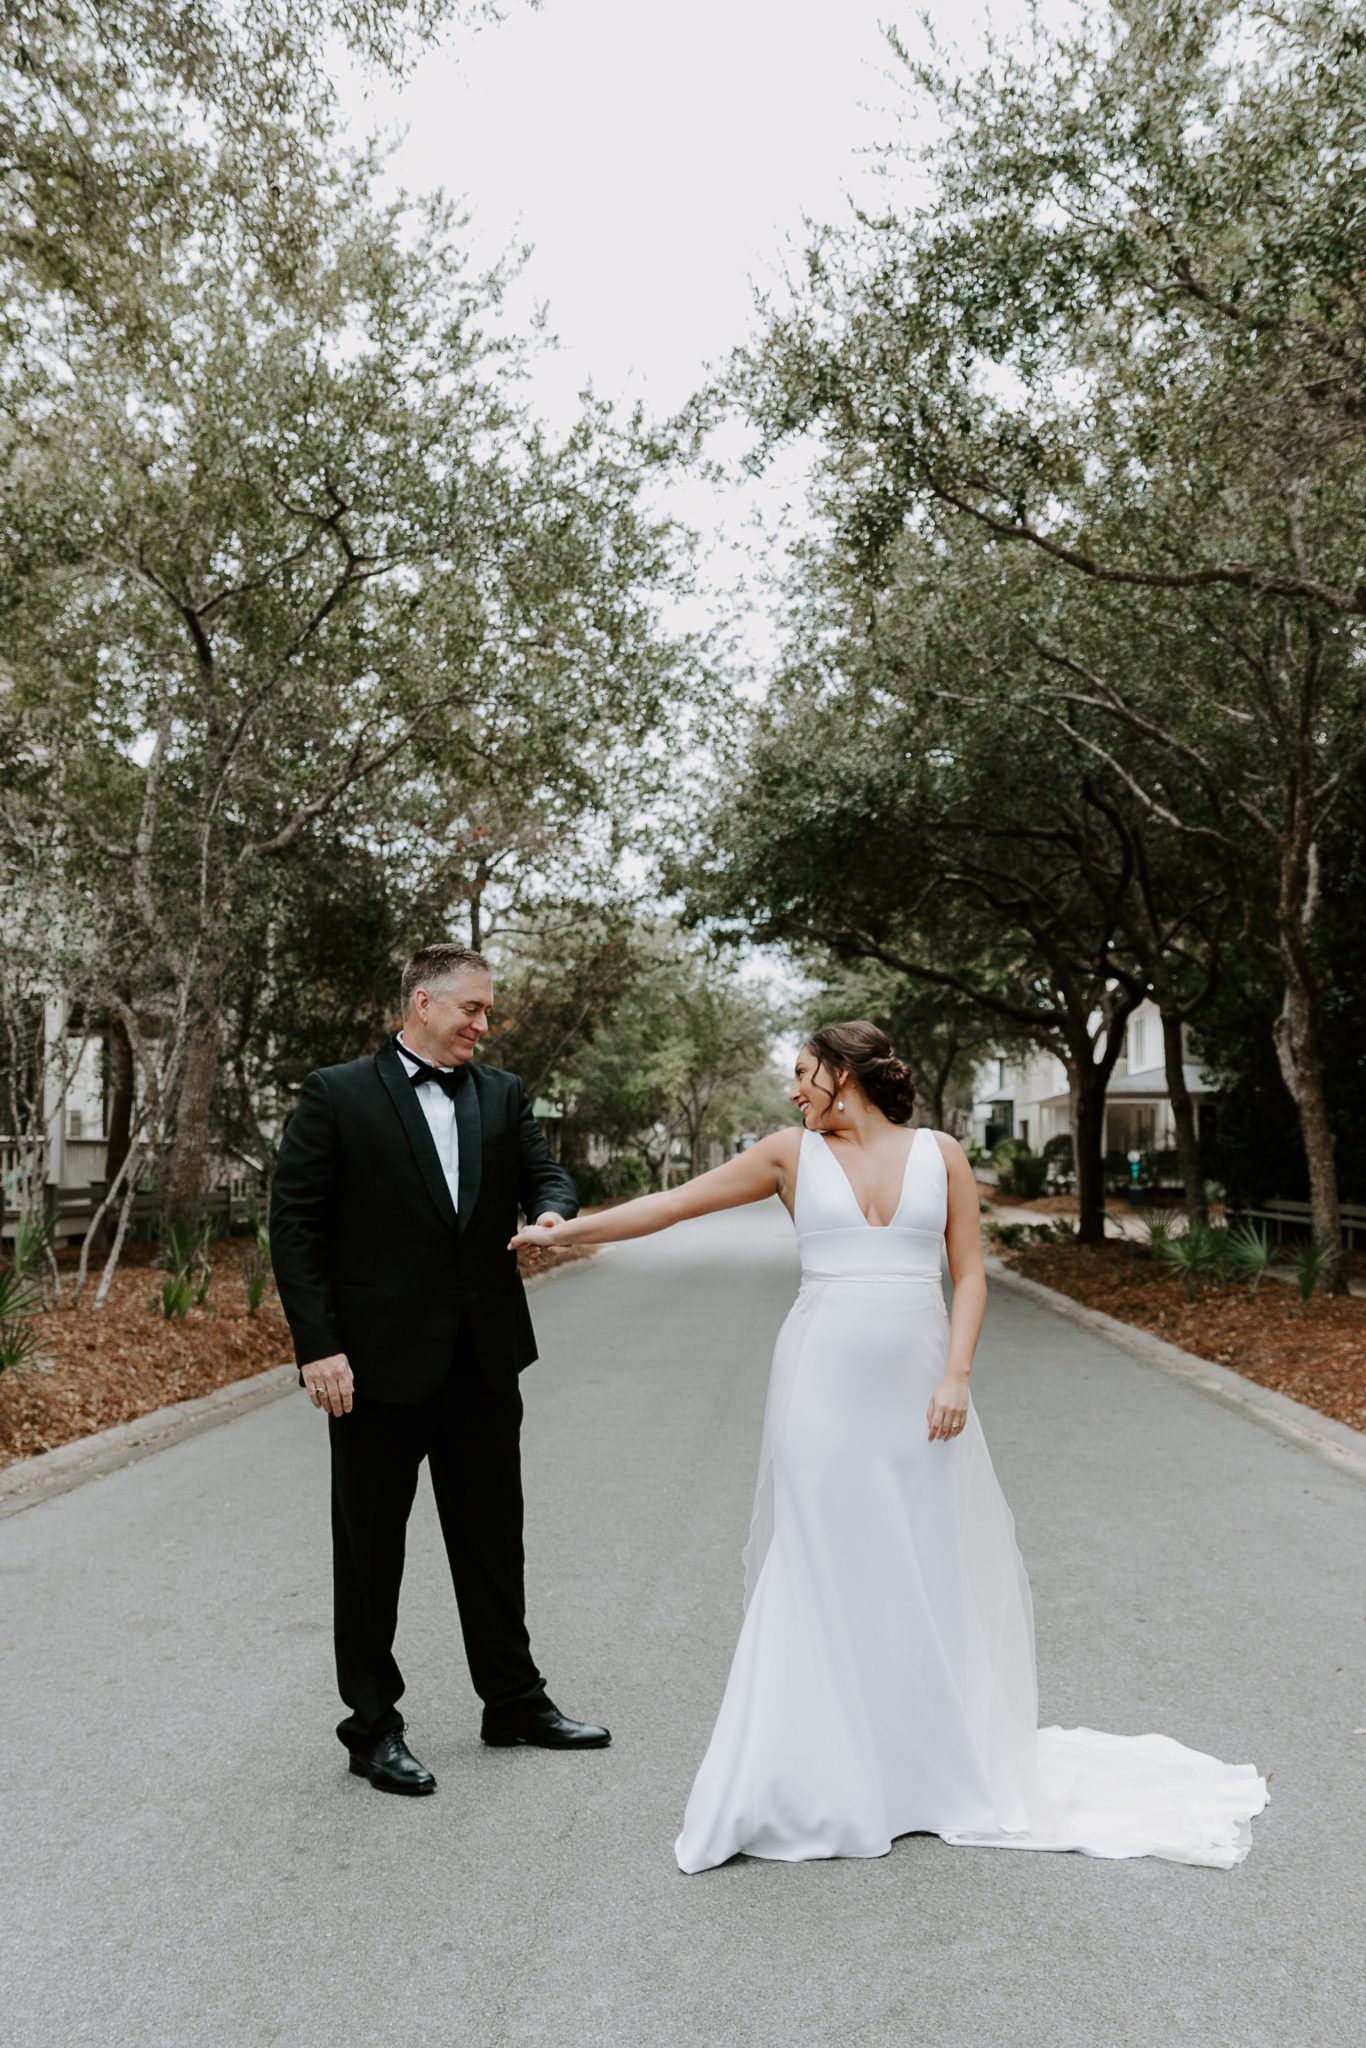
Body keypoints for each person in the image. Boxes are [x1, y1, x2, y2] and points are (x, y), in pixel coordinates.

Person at [511, 1020, 1268, 1870]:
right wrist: (561, 1235)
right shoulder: (787, 1155)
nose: (793, 1090)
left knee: (921, 1557)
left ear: (846, 1072)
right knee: (821, 1559)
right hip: (818, 1389)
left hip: (919, 1386)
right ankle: (811, 1776)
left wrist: (956, 1376)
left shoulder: (941, 1153)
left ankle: (924, 1764)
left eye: (804, 1074)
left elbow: (970, 1274)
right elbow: (673, 1205)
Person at [271, 943, 609, 1796]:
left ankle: (514, 1702)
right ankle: (372, 1727)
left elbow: (547, 1173)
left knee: (495, 1540)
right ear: (423, 1002)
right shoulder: (337, 1093)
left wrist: (551, 1212)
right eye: (474, 1010)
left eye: (487, 1012)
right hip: (374, 1370)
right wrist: (319, 1347)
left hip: (485, 1362)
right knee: (371, 1552)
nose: (484, 1025)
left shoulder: (501, 1094)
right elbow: (297, 1228)